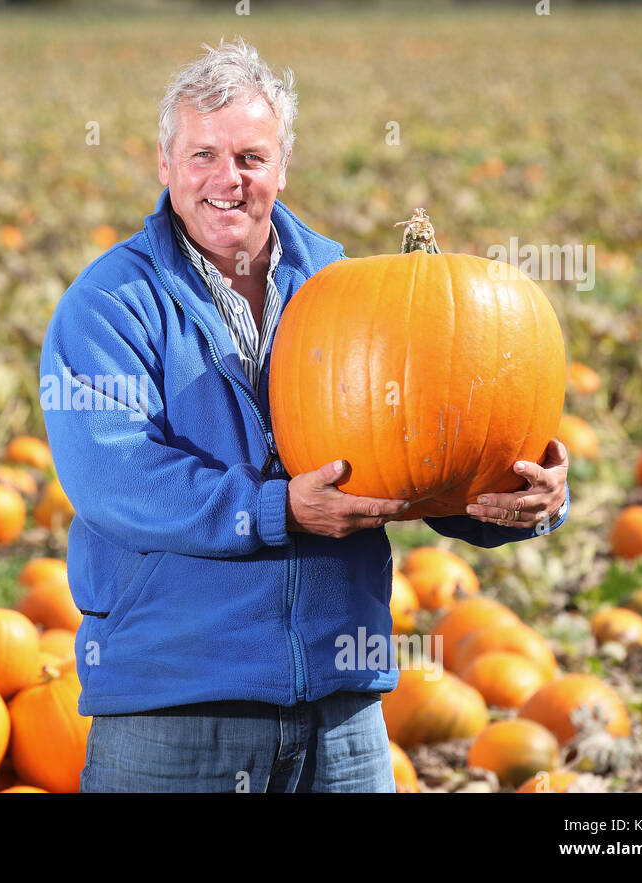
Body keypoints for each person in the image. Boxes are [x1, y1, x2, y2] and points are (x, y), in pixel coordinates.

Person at [38, 37, 570, 793]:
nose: (229, 179)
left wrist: (525, 496)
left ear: (282, 167)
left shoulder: (346, 287)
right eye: (203, 156)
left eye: (252, 157)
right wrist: (276, 509)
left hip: (342, 712)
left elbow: (418, 456)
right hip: (177, 709)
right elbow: (114, 478)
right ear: (165, 164)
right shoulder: (110, 304)